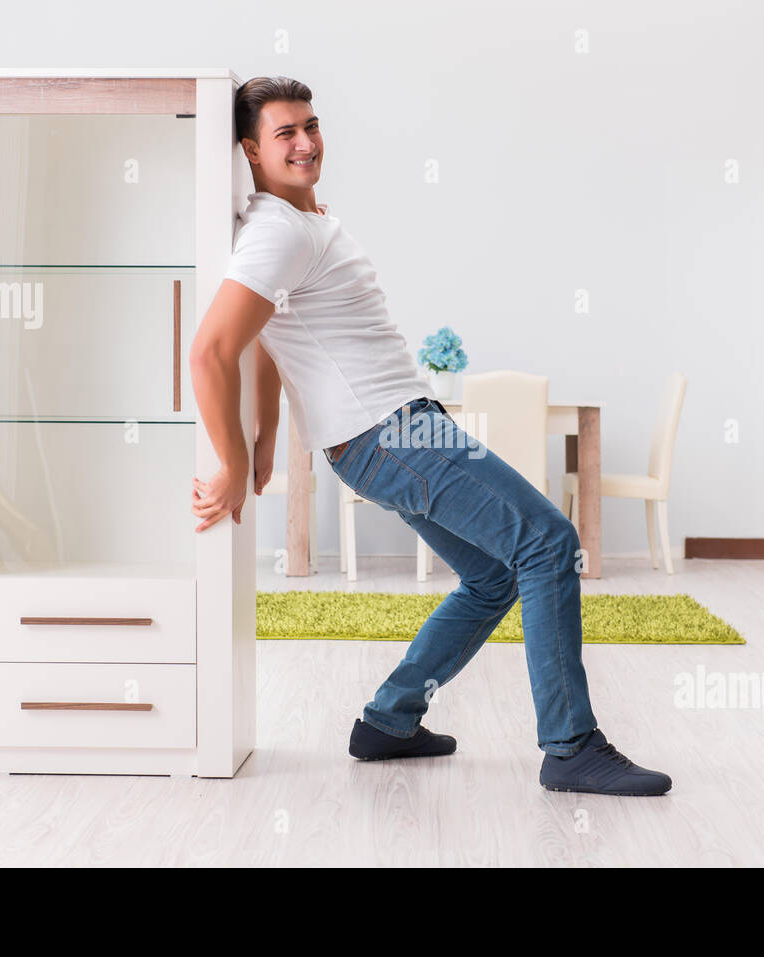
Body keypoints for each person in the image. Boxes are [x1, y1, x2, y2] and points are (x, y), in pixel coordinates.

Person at [188, 76, 671, 796]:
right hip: (391, 433)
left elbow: (264, 339)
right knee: (547, 542)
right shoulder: (277, 231)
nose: (305, 142)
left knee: (495, 573)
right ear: (250, 152)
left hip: (395, 429)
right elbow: (211, 350)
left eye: (311, 125)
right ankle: (570, 747)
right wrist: (233, 458)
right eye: (284, 133)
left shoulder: (305, 220)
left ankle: (389, 719)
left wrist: (266, 436)